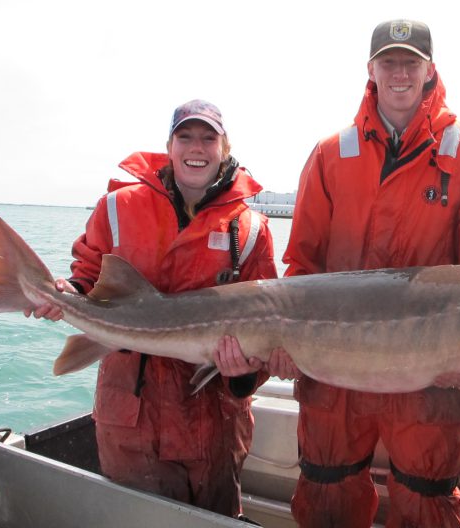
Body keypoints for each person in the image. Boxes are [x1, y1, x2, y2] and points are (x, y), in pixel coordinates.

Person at [282, 19, 460, 528]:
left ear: (430, 69)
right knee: (326, 500)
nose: (399, 73)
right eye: (388, 62)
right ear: (370, 70)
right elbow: (302, 269)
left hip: (433, 377)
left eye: (410, 62)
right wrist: (285, 345)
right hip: (334, 374)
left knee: (427, 506)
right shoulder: (330, 153)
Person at [26, 99, 278, 519]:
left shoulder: (251, 229)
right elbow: (89, 272)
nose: (196, 147)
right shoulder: (118, 206)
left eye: (207, 138)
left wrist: (243, 375)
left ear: (224, 147)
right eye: (186, 137)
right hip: (133, 416)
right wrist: (67, 292)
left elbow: (271, 329)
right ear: (169, 145)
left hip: (212, 424)